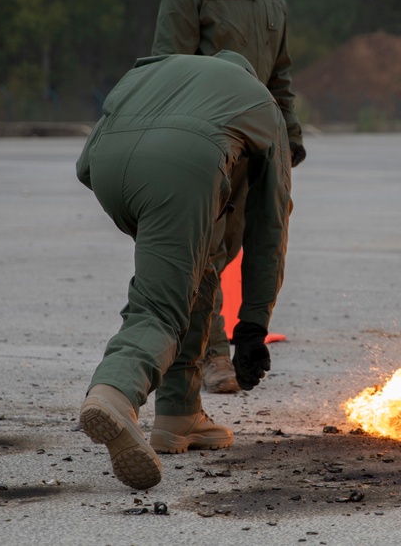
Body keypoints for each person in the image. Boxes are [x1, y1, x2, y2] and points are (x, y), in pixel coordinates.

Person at [76, 51, 291, 490]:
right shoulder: (261, 104)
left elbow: (84, 166)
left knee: (196, 274)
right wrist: (252, 325)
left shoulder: (158, 71)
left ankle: (179, 414)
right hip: (180, 166)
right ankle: (115, 393)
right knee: (161, 307)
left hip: (108, 168)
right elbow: (270, 222)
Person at [151, 0, 305, 394]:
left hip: (259, 147)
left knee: (245, 246)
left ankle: (229, 342)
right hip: (207, 145)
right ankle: (211, 356)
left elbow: (278, 74)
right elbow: (167, 73)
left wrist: (291, 134)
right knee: (205, 252)